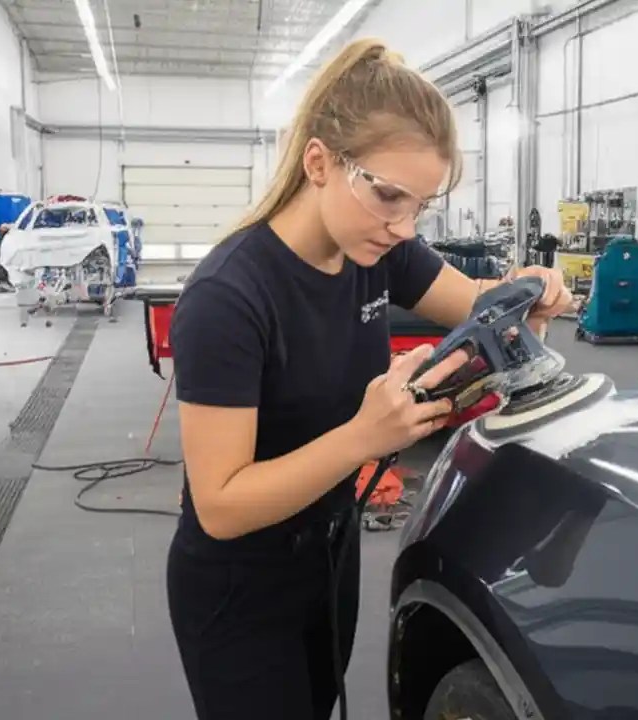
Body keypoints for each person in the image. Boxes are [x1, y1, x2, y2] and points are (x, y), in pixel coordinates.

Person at [164, 38, 571, 720]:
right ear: (319, 162)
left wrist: (528, 294)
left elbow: (476, 299)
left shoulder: (380, 248)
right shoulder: (229, 297)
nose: (403, 226)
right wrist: (363, 437)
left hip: (329, 553)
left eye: (421, 207)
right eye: (388, 196)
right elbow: (222, 504)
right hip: (240, 587)